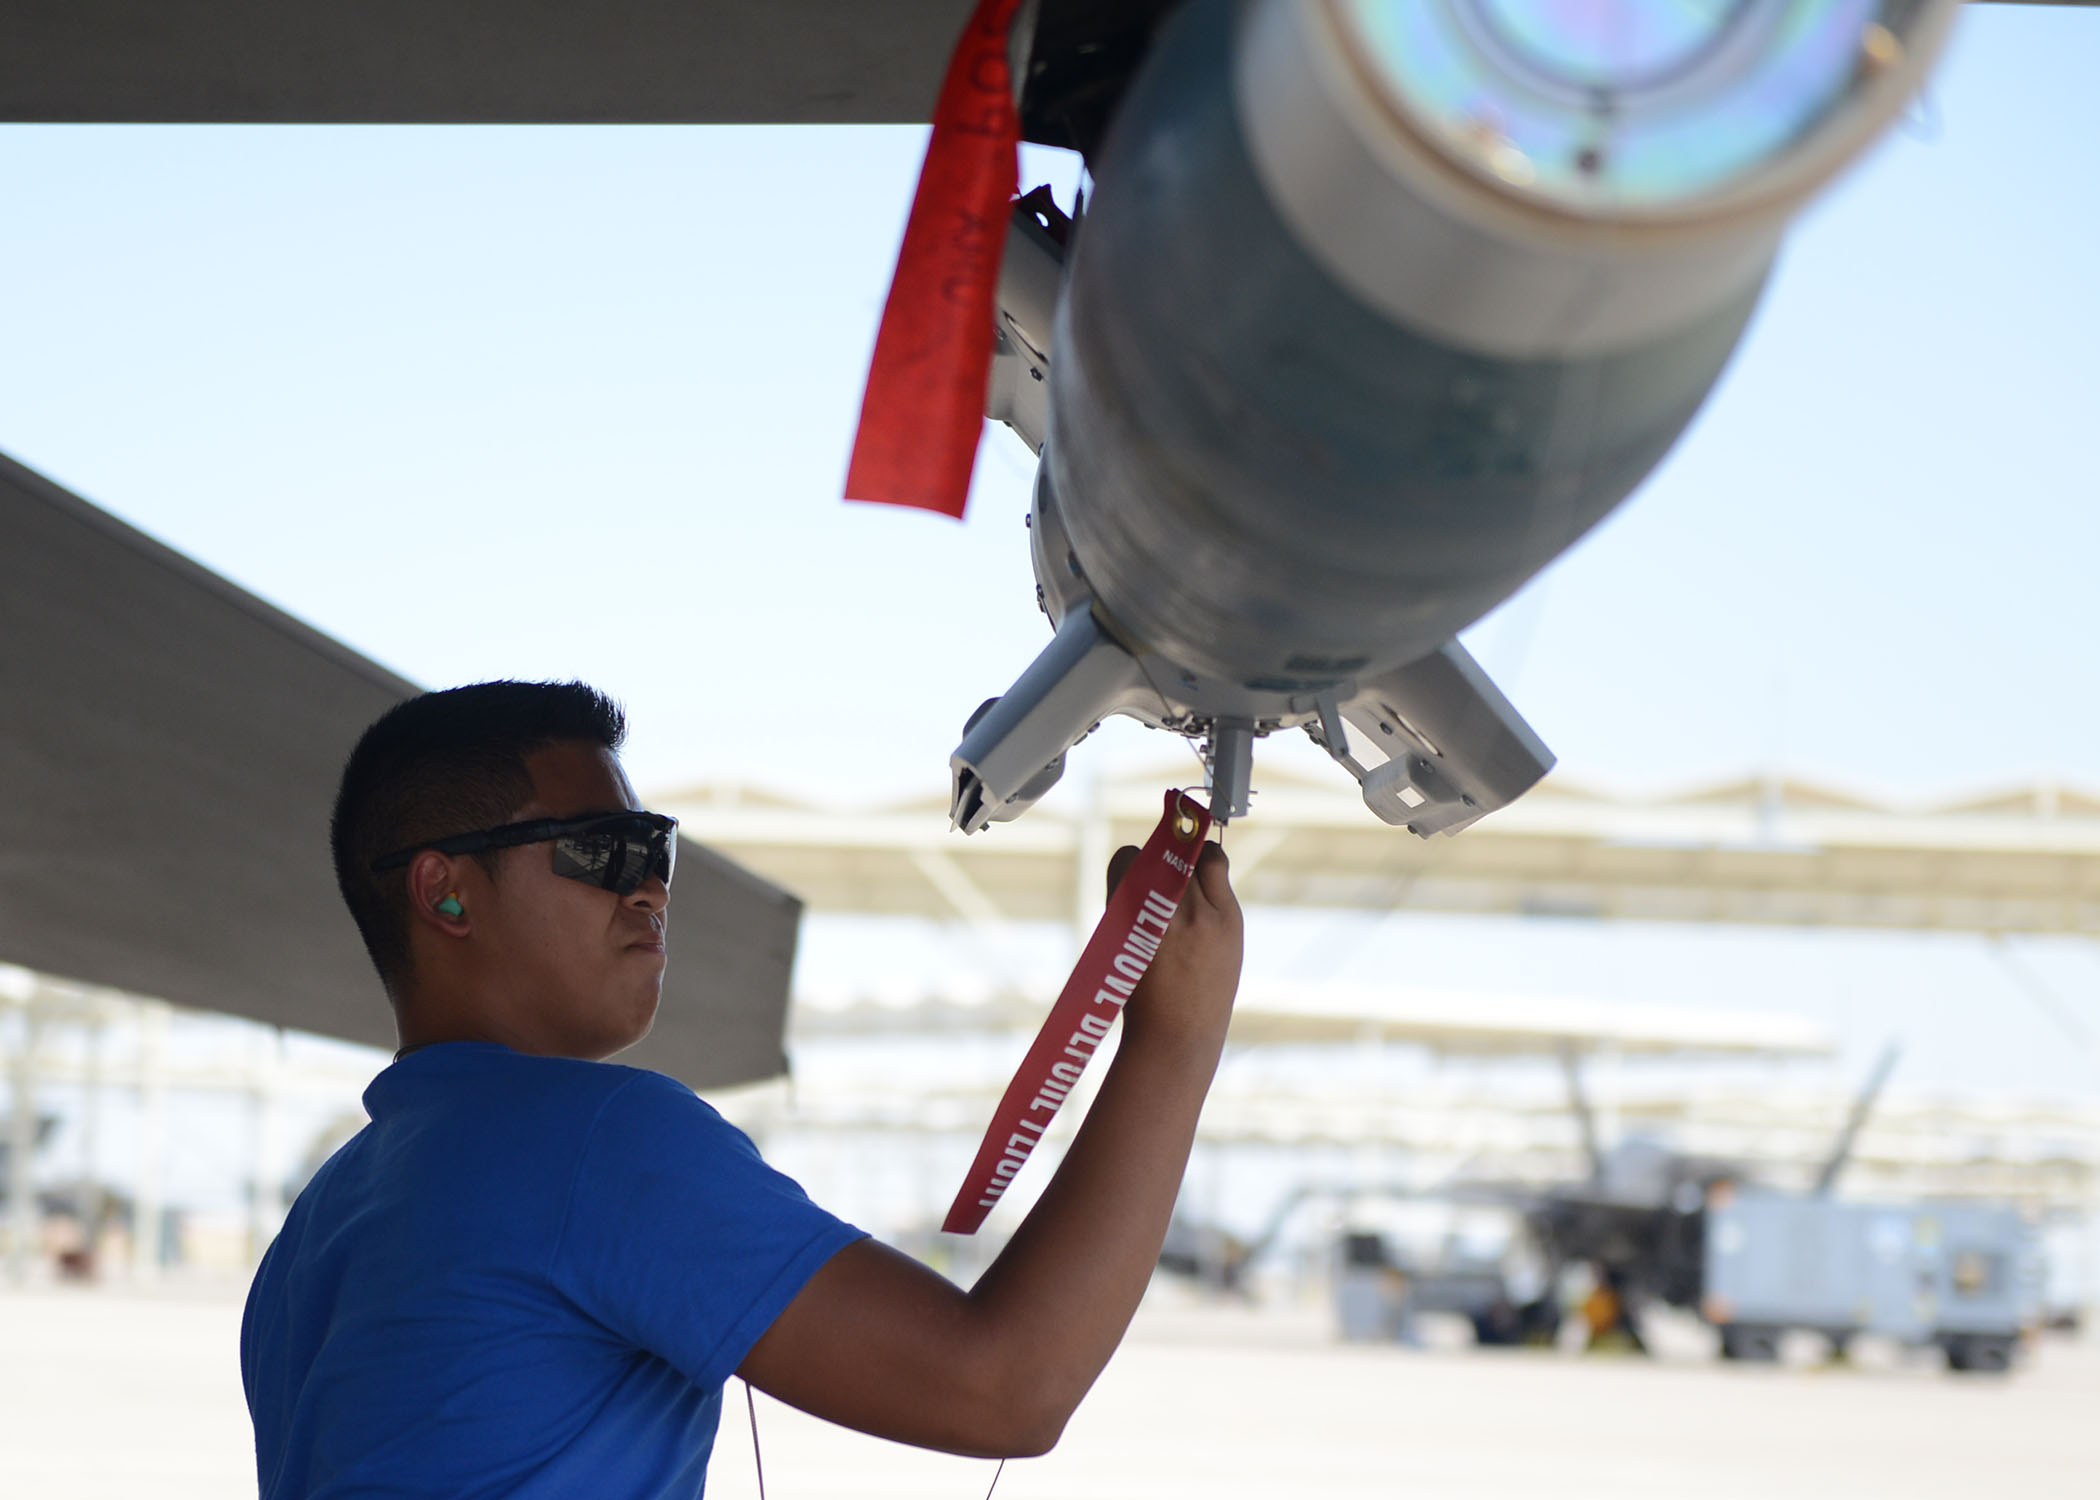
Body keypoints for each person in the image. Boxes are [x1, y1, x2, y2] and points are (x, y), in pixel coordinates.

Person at [241, 680, 1242, 1498]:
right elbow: (1004, 1390)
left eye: (656, 848)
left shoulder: (315, 1233)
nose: (651, 887)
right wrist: (1177, 1034)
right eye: (603, 850)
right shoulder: (598, 1138)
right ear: (444, 891)